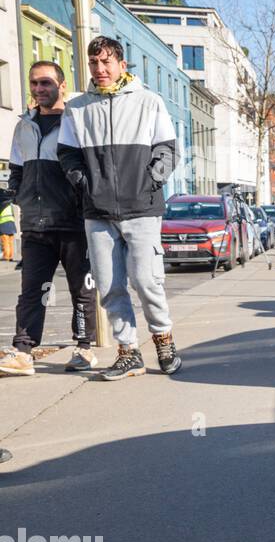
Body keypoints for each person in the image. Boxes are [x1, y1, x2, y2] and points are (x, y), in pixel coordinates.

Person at [58, 36, 181, 380]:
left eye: (106, 62)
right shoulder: (77, 107)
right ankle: (128, 352)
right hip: (97, 212)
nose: (100, 69)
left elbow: (167, 149)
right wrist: (85, 183)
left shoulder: (148, 102)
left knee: (146, 280)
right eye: (94, 63)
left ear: (121, 65)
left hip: (142, 208)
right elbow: (67, 154)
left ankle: (163, 339)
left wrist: (150, 181)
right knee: (110, 286)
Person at [0, 61, 98, 378]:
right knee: (33, 291)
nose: (39, 89)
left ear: (61, 85)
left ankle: (84, 349)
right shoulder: (23, 126)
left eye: (45, 83)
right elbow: (17, 170)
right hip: (35, 225)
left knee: (81, 291)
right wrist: (13, 193)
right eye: (34, 83)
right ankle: (23, 352)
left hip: (74, 224)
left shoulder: (76, 122)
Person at [0, 191, 15, 262]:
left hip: (4, 224)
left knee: (5, 241)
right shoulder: (9, 205)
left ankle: (6, 256)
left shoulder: (1, 205)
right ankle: (10, 256)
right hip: (11, 223)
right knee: (10, 241)